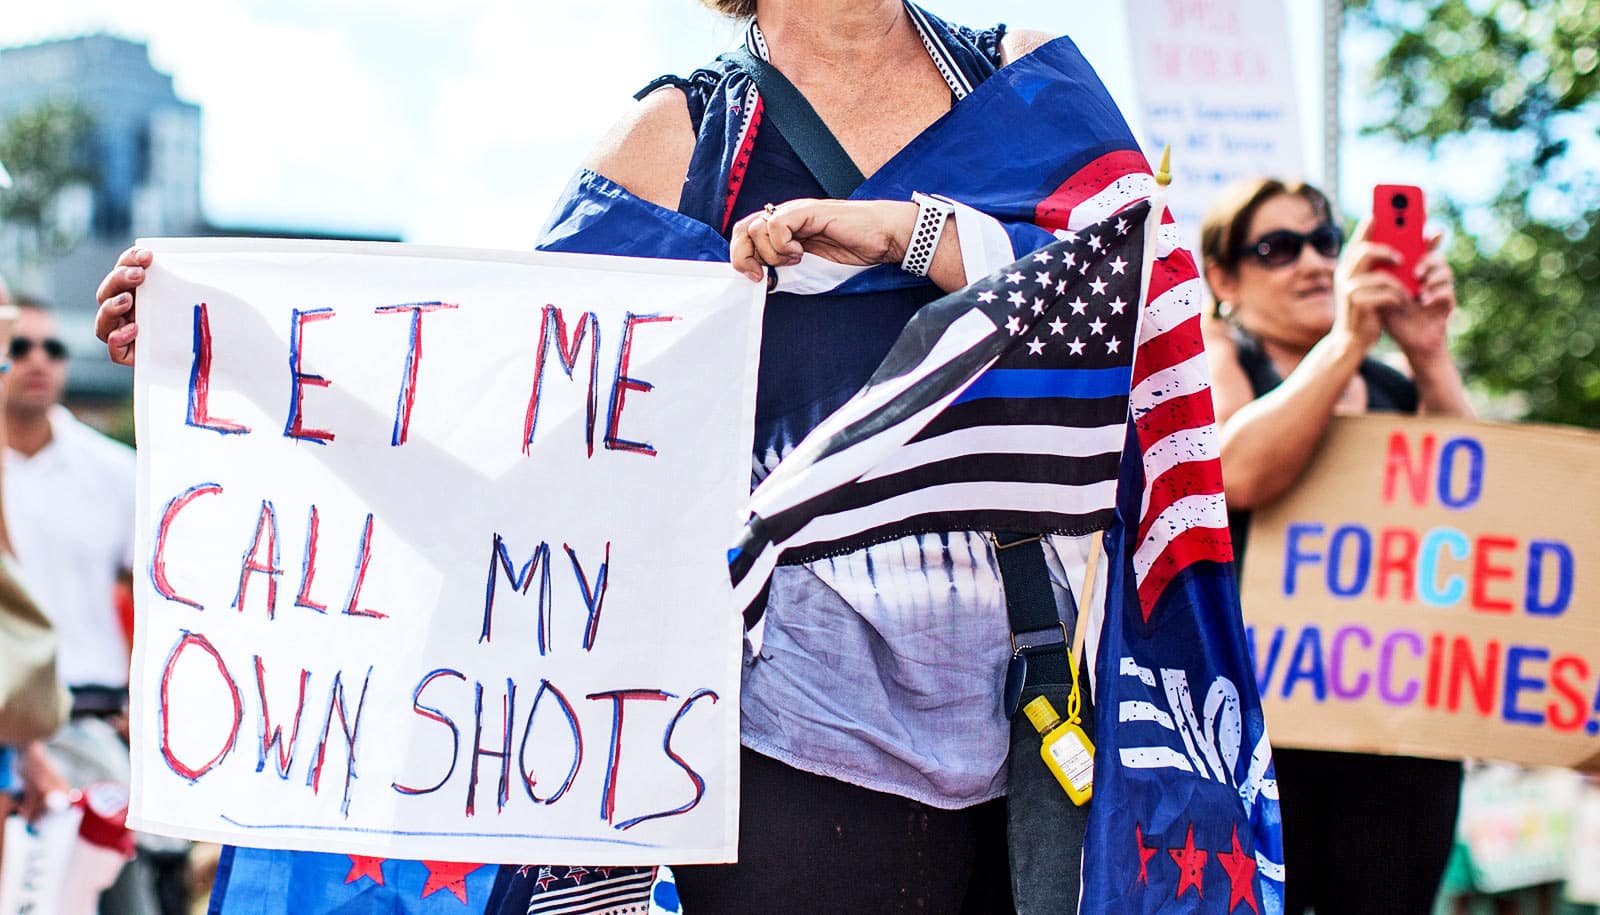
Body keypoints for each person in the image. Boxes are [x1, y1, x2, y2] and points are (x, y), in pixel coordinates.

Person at [99, 3, 1280, 911]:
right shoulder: (680, 141)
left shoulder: (1027, 86)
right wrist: (242, 356)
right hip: (772, 726)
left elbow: (1149, 322)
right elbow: (502, 422)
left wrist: (915, 235)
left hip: (1039, 709)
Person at [1199, 176, 1472, 913]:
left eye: (1326, 242)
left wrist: (1429, 354)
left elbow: (1482, 500)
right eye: (1278, 249)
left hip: (1395, 736)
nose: (1316, 264)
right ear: (1223, 278)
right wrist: (1349, 339)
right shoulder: (1217, 358)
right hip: (1260, 733)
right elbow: (1237, 471)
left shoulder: (1392, 383)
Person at [1, 294, 167, 914]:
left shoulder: (114, 471)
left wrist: (150, 704)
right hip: (8, 726)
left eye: (53, 347)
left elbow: (164, 593)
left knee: (125, 900)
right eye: (19, 346)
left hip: (95, 726)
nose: (37, 360)